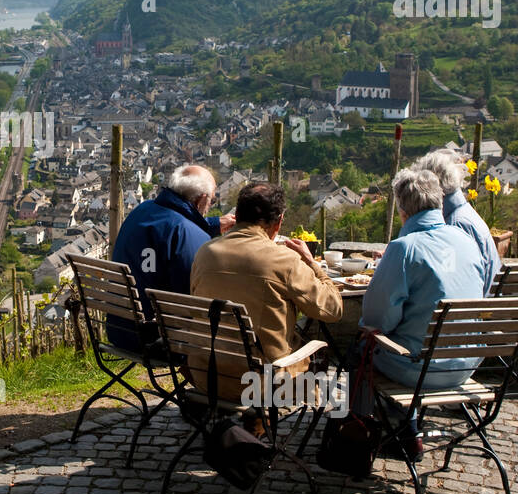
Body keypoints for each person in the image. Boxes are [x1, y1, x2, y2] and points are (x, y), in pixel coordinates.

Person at [187, 182, 343, 401]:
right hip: (258, 384)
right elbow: (333, 310)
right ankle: (264, 419)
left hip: (205, 374)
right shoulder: (284, 260)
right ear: (278, 222)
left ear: (237, 214)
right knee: (317, 352)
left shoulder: (205, 252)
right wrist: (310, 262)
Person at [361, 168, 488, 391]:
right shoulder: (466, 241)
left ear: (402, 210)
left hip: (417, 368)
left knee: (359, 348)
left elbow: (378, 321)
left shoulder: (404, 248)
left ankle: (385, 421)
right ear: (440, 201)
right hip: (465, 365)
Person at [105, 164, 234, 352]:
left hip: (120, 330)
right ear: (202, 199)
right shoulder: (188, 234)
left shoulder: (142, 210)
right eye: (212, 201)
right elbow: (193, 294)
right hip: (156, 339)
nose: (210, 206)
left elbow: (171, 224)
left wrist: (211, 225)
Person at [412, 149, 500, 296]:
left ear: (434, 187)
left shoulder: (455, 226)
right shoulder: (463, 214)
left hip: (472, 313)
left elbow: (448, 281)